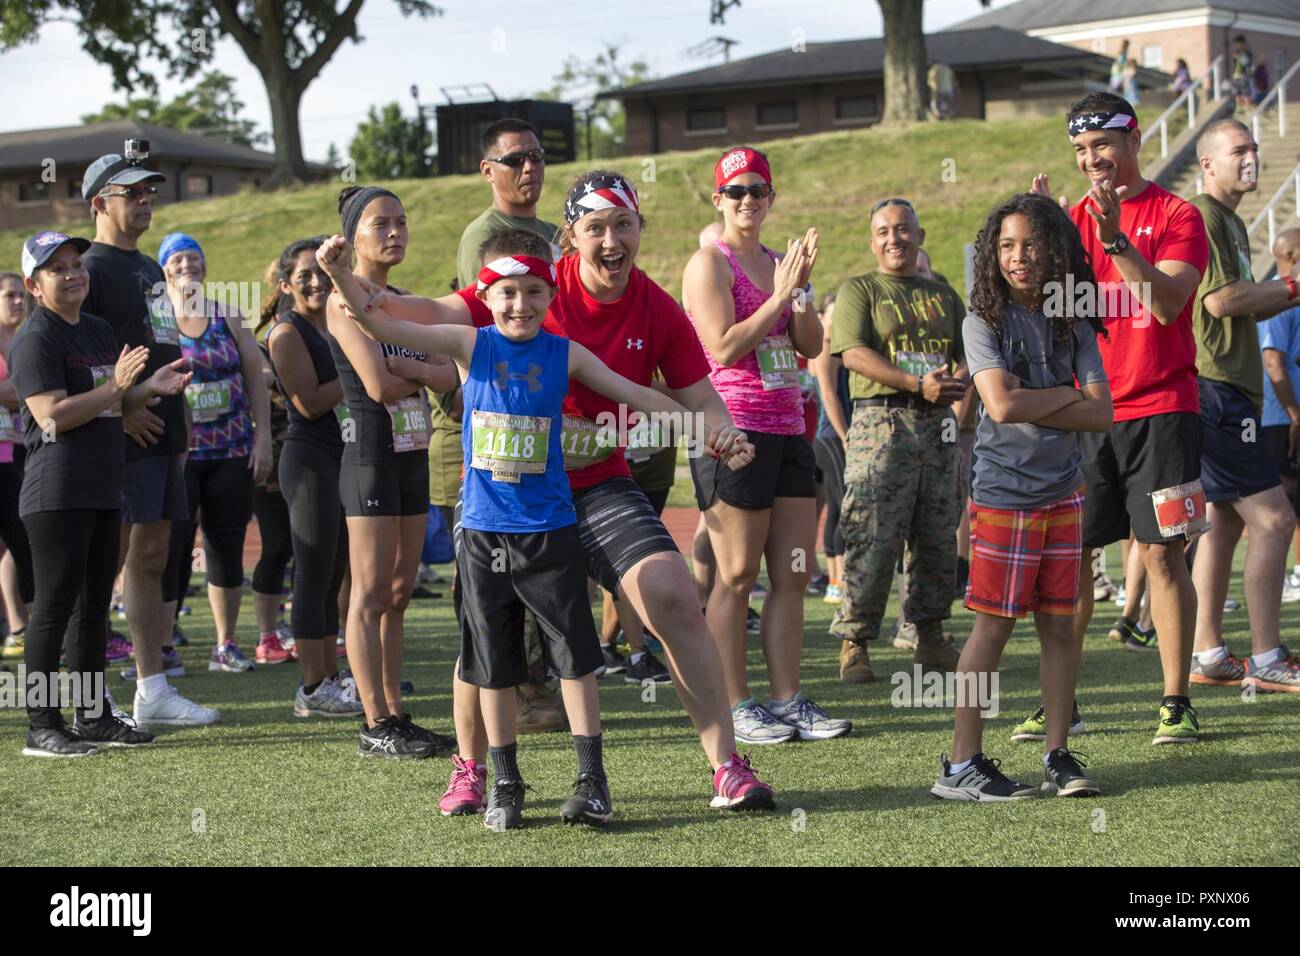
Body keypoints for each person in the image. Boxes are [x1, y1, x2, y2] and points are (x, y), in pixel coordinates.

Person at [342, 171, 778, 812]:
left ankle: (727, 767)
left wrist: (723, 431)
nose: (611, 240)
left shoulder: (656, 308)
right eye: (595, 227)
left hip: (599, 486)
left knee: (672, 593)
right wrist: (351, 286)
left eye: (624, 225)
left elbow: (696, 397)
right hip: (507, 500)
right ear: (571, 235)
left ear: (640, 230)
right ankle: (472, 770)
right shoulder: (529, 284)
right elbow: (428, 314)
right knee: (482, 632)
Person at [1030, 92, 1209, 744]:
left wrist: (1114, 239)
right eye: (1080, 149)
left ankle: (1176, 700)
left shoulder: (1179, 214)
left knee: (1162, 554)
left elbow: (1166, 305)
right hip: (1086, 412)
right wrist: (1038, 240)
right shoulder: (1068, 219)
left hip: (1163, 408)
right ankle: (1062, 703)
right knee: (1072, 557)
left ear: (1134, 139)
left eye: (1101, 144)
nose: (1091, 159)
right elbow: (1045, 314)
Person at [932, 194, 1112, 801]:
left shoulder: (1074, 320)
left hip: (1065, 493)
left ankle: (1057, 755)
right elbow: (1001, 405)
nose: (1018, 256)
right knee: (993, 629)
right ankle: (961, 766)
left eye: (1031, 244)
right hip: (1004, 496)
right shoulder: (982, 320)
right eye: (1006, 245)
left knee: (1060, 627)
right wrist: (1068, 393)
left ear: (1055, 251)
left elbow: (1103, 413)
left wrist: (1043, 398)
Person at [683, 145, 850, 744]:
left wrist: (798, 292)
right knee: (735, 575)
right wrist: (779, 297)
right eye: (736, 191)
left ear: (771, 197)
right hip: (734, 432)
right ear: (719, 199)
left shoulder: (783, 263)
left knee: (793, 573)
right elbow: (723, 347)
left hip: (788, 428)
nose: (748, 200)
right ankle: (736, 704)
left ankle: (788, 700)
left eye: (758, 190)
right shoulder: (711, 263)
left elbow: (808, 344)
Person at [13, 231, 189, 755]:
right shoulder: (35, 337)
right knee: (53, 609)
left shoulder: (96, 329)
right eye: (57, 269)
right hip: (56, 491)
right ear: (33, 285)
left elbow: (109, 404)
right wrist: (117, 387)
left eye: (76, 264)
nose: (73, 274)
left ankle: (92, 716)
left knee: (93, 609)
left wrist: (147, 388)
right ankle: (42, 724)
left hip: (103, 486)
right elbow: (51, 415)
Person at [79, 151, 220, 729]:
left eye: (148, 193)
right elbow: (76, 357)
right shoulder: (87, 268)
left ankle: (151, 688)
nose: (145, 202)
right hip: (118, 433)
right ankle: (89, 699)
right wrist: (122, 408)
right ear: (99, 203)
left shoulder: (147, 268)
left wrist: (178, 426)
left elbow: (164, 346)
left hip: (163, 431)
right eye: (131, 193)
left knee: (154, 557)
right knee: (101, 565)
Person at [325, 185, 459, 758]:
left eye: (401, 221)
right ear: (353, 236)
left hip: (411, 454)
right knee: (371, 592)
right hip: (371, 459)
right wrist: (421, 367)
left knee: (400, 592)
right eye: (381, 223)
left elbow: (449, 373)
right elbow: (379, 386)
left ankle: (397, 715)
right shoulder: (341, 299)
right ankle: (373, 721)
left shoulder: (402, 302)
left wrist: (420, 367)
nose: (395, 232)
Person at [450, 117, 568, 731]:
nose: (530, 168)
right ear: (487, 170)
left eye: (538, 157)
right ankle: (514, 698)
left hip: (547, 415)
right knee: (495, 578)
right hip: (498, 424)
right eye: (516, 159)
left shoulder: (552, 233)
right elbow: (480, 330)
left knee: (547, 567)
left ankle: (544, 686)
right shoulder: (484, 235)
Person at [829, 197, 968, 682]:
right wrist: (916, 384)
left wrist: (957, 383)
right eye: (884, 231)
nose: (895, 238)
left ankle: (929, 637)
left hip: (937, 426)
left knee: (937, 537)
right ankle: (855, 642)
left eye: (904, 229)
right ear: (873, 242)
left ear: (920, 236)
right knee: (873, 534)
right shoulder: (860, 290)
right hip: (881, 425)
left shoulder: (944, 296)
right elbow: (853, 354)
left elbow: (969, 353)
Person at [1185, 119, 1300, 692]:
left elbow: (1242, 303)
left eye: (1254, 147)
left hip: (1226, 390)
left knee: (1223, 522)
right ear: (1207, 163)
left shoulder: (1229, 219)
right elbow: (1222, 301)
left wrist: (1281, 294)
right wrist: (1293, 287)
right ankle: (1267, 656)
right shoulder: (1204, 217)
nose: (1251, 157)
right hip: (1218, 389)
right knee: (1276, 519)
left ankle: (1207, 652)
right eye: (1239, 149)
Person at [157, 233, 273, 673]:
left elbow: (255, 376)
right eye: (178, 259)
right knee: (171, 546)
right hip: (179, 455)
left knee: (225, 545)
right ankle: (162, 646)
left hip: (232, 449)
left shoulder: (227, 314)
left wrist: (263, 438)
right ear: (165, 270)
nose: (187, 265)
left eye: (194, 258)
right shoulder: (158, 320)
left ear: (204, 266)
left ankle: (225, 645)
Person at [263, 237, 365, 716]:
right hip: (307, 459)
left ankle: (329, 676)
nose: (315, 282)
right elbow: (308, 403)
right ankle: (311, 687)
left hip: (340, 455)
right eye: (303, 275)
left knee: (333, 571)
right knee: (312, 571)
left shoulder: (335, 322)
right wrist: (360, 366)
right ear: (286, 284)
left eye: (321, 272)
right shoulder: (287, 333)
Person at [251, 260, 296, 662]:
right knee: (277, 545)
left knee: (313, 547)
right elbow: (261, 377)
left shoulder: (324, 334)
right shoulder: (267, 340)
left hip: (317, 456)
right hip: (274, 461)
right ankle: (268, 634)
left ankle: (304, 625)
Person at [1262, 229, 1300, 591]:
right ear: (1291, 255)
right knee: (1281, 497)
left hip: (1291, 414)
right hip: (1279, 417)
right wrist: (1294, 414)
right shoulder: (1275, 296)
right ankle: (1280, 576)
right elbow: (1273, 361)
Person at [0, 272, 34, 659]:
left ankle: (28, 626)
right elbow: (27, 389)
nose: (16, 302)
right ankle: (17, 625)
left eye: (19, 295)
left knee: (23, 540)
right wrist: (24, 390)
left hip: (27, 448)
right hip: (4, 454)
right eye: (8, 295)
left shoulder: (25, 338)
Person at [1232, 35, 1254, 111]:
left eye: (1238, 43)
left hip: (1244, 75)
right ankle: (1239, 109)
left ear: (1242, 43)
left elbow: (1246, 63)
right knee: (1236, 93)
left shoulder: (1247, 53)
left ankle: (1248, 108)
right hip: (1236, 75)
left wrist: (1239, 57)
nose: (1237, 45)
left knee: (1246, 93)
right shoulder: (1237, 52)